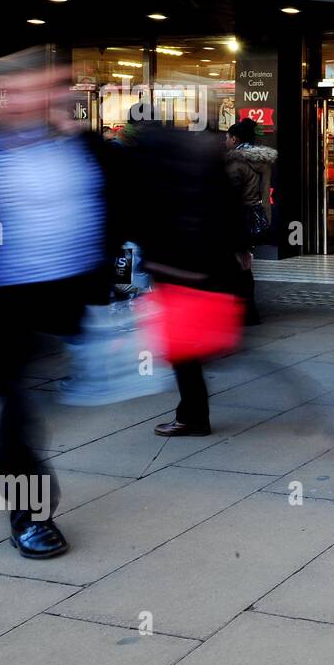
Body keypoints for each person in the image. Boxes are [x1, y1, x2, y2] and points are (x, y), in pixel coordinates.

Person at [0, 47, 123, 558]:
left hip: (68, 302)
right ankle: (32, 516)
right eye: (24, 88)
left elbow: (125, 198)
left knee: (41, 408)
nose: (38, 97)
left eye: (46, 87)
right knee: (21, 412)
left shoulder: (82, 147)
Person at [134, 118, 248, 437]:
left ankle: (193, 415)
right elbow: (231, 207)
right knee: (190, 340)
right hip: (211, 266)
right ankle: (204, 372)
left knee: (181, 347)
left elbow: (143, 219)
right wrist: (239, 248)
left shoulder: (158, 173)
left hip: (176, 271)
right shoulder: (207, 165)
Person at [225, 117, 276, 325]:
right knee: (245, 263)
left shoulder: (235, 162)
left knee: (236, 264)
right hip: (255, 216)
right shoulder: (261, 161)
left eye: (227, 137)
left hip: (237, 217)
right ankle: (249, 311)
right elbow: (264, 193)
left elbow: (230, 194)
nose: (225, 141)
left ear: (235, 139)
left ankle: (241, 311)